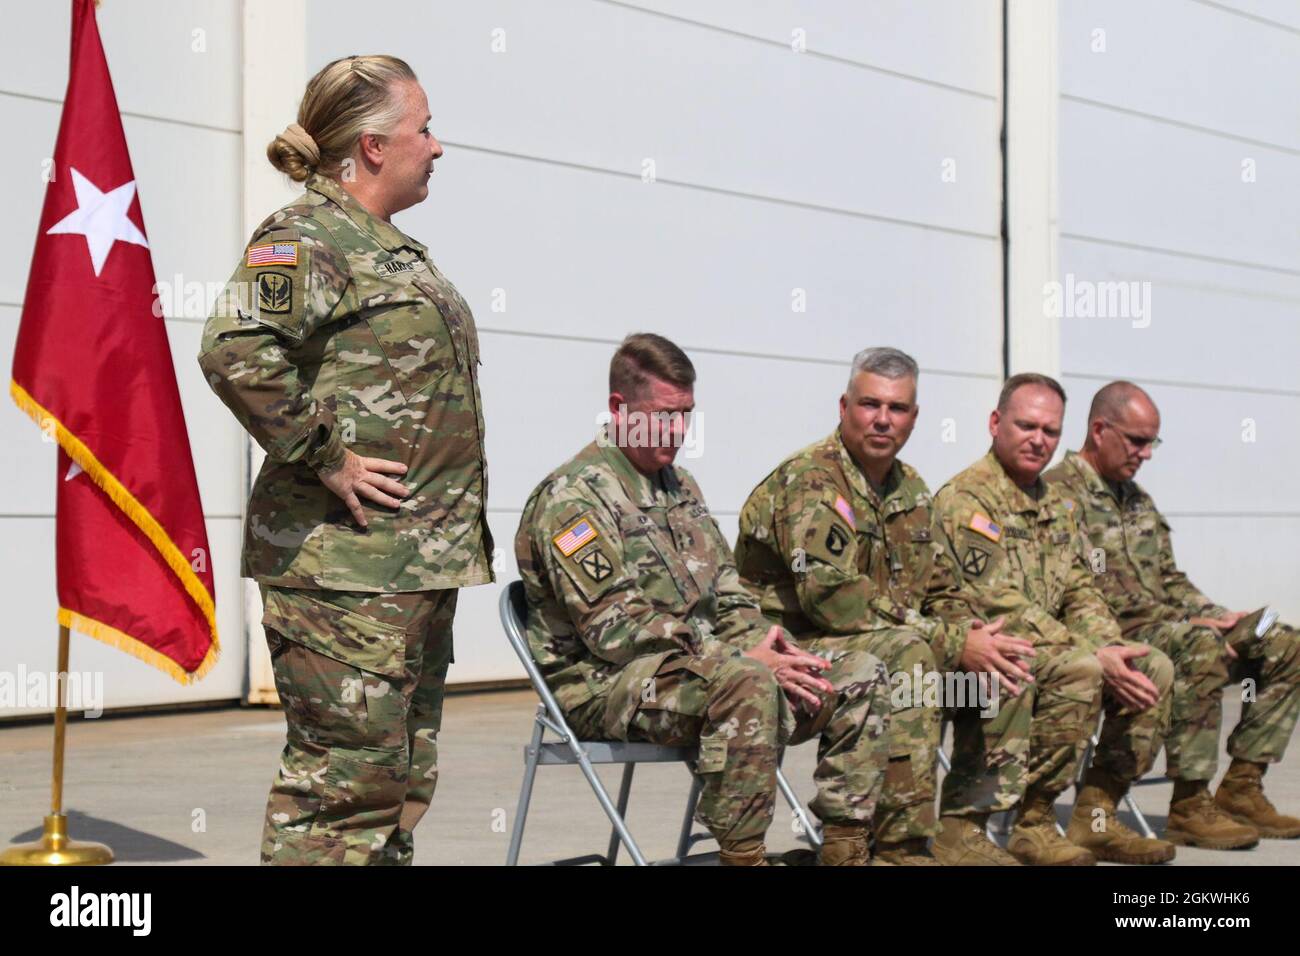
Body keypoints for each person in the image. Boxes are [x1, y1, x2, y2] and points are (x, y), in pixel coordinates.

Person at [198, 55, 492, 865]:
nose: (437, 147)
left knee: (396, 787)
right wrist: (327, 457)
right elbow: (235, 350)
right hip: (343, 573)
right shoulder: (303, 238)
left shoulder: (392, 249)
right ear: (370, 146)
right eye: (422, 129)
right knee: (340, 793)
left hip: (411, 568)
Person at [515, 333, 892, 865]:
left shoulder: (679, 486)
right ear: (619, 408)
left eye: (686, 414)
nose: (678, 430)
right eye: (664, 415)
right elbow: (615, 630)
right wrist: (740, 660)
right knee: (748, 682)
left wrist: (769, 646)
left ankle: (846, 850)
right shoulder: (574, 497)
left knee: (859, 673)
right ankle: (742, 857)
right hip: (607, 688)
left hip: (704, 673)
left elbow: (729, 595)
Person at [735, 347, 1024, 865]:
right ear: (844, 406)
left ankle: (964, 828)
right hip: (800, 654)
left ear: (914, 417)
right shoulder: (811, 480)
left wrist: (972, 636)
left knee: (1001, 663)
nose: (883, 419)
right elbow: (832, 600)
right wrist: (953, 641)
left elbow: (942, 588)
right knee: (912, 653)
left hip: (881, 644)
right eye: (870, 404)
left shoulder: (910, 488)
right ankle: (899, 845)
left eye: (898, 408)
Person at [934, 373, 1175, 865]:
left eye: (1050, 431)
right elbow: (995, 601)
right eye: (1027, 426)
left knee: (1152, 666)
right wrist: (1091, 653)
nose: (1038, 440)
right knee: (1081, 669)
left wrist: (1111, 645)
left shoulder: (1055, 504)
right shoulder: (968, 500)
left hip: (1051, 647)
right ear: (996, 423)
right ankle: (1012, 823)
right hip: (980, 651)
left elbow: (1080, 587)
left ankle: (1095, 816)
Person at [1046, 380, 1298, 846]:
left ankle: (1242, 786)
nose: (1146, 453)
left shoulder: (1135, 498)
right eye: (1137, 441)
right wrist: (1193, 626)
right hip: (1117, 637)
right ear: (1100, 430)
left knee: (1281, 635)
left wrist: (1217, 613)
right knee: (1201, 646)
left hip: (1175, 623)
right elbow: (1069, 593)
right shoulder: (1056, 496)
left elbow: (1170, 579)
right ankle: (1190, 804)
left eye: (1151, 442)